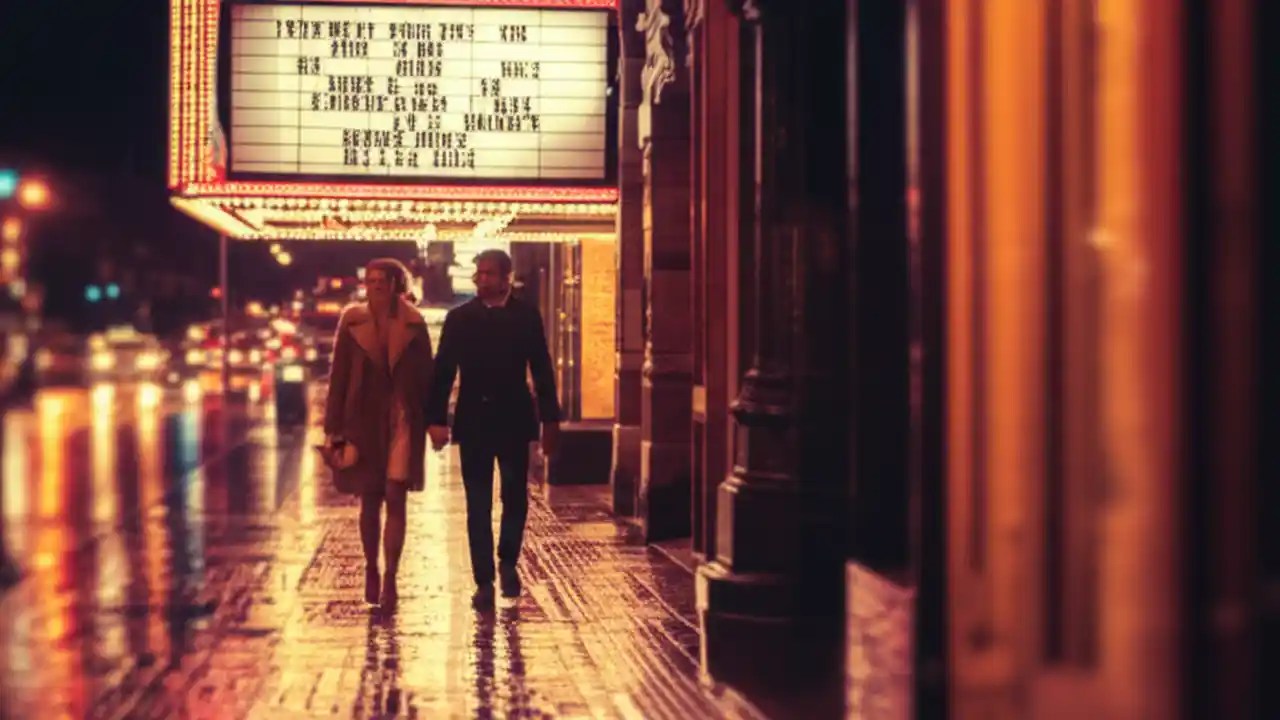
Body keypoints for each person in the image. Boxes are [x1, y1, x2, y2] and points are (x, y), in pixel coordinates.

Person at [426, 249, 560, 607]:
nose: (481, 279)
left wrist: (551, 419)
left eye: (488, 274)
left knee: (515, 497)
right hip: (474, 421)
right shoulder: (459, 319)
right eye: (478, 273)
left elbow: (542, 368)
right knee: (478, 503)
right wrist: (436, 419)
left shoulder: (526, 317)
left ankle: (508, 561)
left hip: (515, 419)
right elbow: (443, 371)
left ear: (506, 277)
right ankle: (483, 580)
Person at [323, 258, 435, 612]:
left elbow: (428, 379)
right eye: (369, 280)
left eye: (381, 281)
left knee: (395, 496)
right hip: (362, 422)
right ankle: (371, 567)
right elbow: (338, 377)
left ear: (396, 285)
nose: (374, 287)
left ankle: (391, 579)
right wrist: (332, 428)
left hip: (402, 420)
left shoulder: (415, 324)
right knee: (370, 500)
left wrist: (435, 422)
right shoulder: (351, 321)